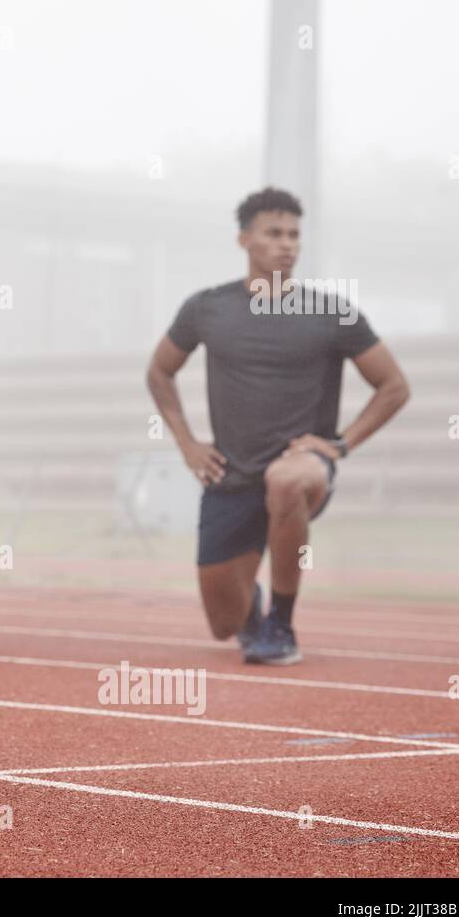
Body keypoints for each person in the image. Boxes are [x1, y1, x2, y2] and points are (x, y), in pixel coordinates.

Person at [145, 187, 410, 665]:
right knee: (223, 624)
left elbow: (394, 386)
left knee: (285, 479)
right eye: (274, 233)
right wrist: (187, 444)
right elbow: (159, 371)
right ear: (244, 240)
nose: (287, 244)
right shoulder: (206, 308)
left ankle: (282, 626)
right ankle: (254, 611)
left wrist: (341, 446)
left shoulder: (333, 312)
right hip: (231, 472)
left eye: (294, 235)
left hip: (301, 467)